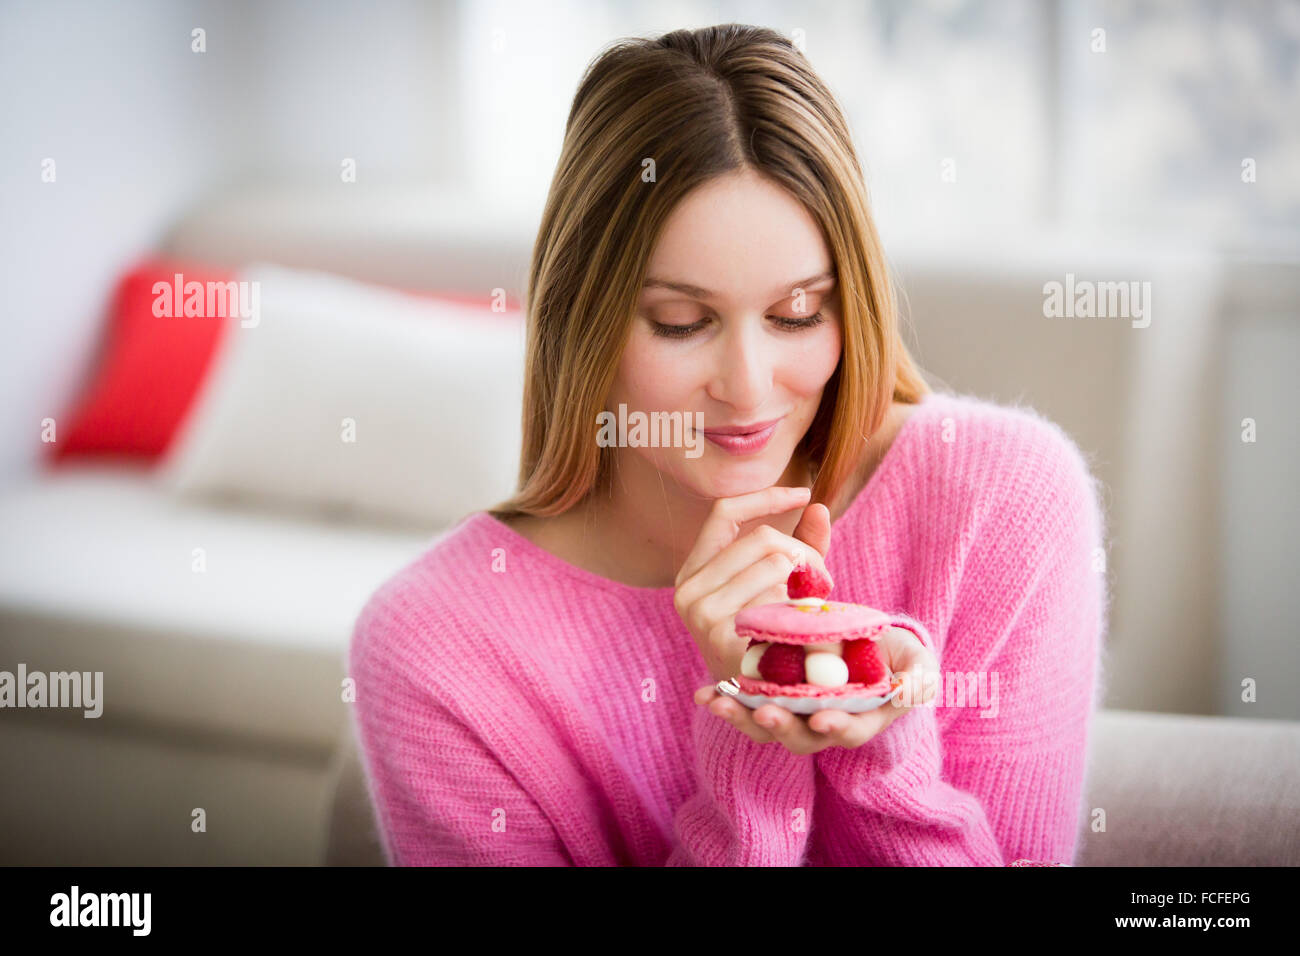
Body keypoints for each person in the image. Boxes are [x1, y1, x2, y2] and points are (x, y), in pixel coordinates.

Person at [349, 23, 1109, 866]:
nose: (748, 387)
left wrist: (878, 751)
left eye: (796, 314)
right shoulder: (440, 645)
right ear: (584, 320)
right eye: (681, 322)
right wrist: (754, 746)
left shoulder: (1001, 499)